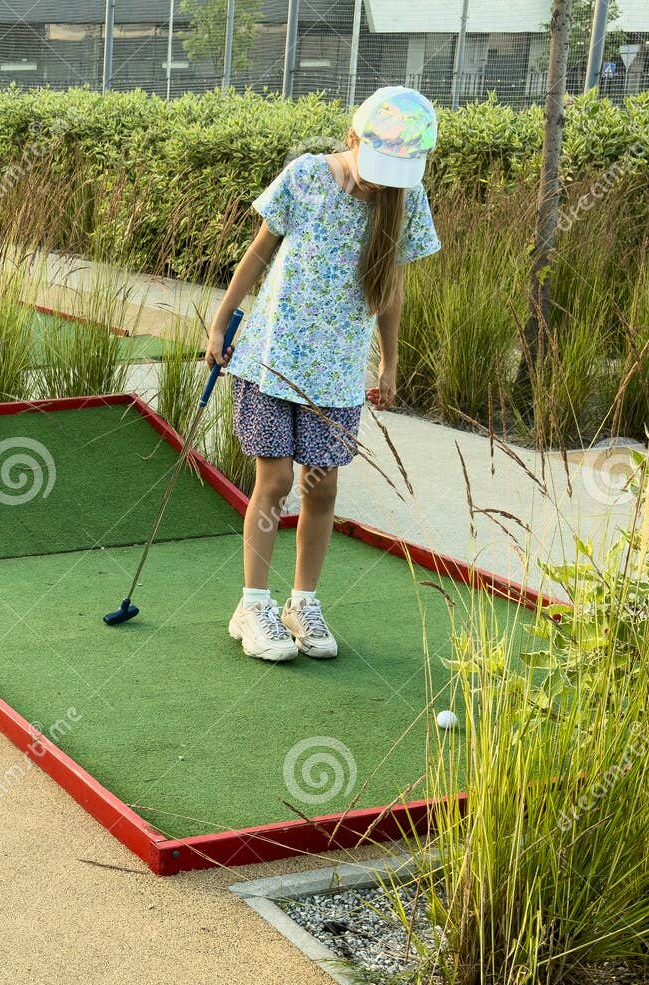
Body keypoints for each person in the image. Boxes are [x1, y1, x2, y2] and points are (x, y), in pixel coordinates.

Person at [207, 86, 441, 663]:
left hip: (337, 371)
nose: (378, 181)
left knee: (323, 486)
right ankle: (253, 605)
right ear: (353, 138)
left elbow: (390, 291)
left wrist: (388, 361)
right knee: (277, 481)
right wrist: (220, 323)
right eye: (374, 164)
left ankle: (301, 603)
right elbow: (260, 252)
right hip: (271, 356)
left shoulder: (406, 199)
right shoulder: (308, 175)